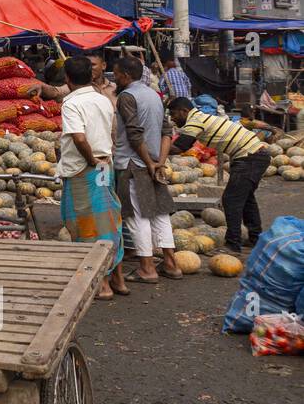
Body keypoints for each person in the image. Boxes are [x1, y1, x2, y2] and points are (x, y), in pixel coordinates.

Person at [168, 97, 274, 255]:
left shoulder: (195, 121)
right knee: (246, 199)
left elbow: (180, 147)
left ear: (184, 111)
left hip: (250, 156)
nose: (172, 118)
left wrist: (155, 149)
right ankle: (255, 239)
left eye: (174, 114)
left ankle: (232, 245)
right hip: (254, 154)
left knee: (231, 199)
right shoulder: (200, 118)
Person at [57, 56, 126, 299]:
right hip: (104, 167)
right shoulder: (103, 100)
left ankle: (102, 284)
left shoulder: (71, 104)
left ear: (67, 78)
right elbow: (109, 132)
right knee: (108, 218)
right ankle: (117, 279)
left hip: (85, 169)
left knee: (87, 226)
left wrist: (90, 160)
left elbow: (79, 138)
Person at [113, 56, 181, 283]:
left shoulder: (126, 96)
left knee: (138, 216)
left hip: (133, 164)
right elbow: (166, 131)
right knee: (159, 213)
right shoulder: (155, 95)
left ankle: (147, 268)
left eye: (117, 73)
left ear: (125, 74)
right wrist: (159, 161)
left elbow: (134, 134)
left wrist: (149, 162)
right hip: (154, 162)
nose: (116, 78)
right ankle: (171, 264)